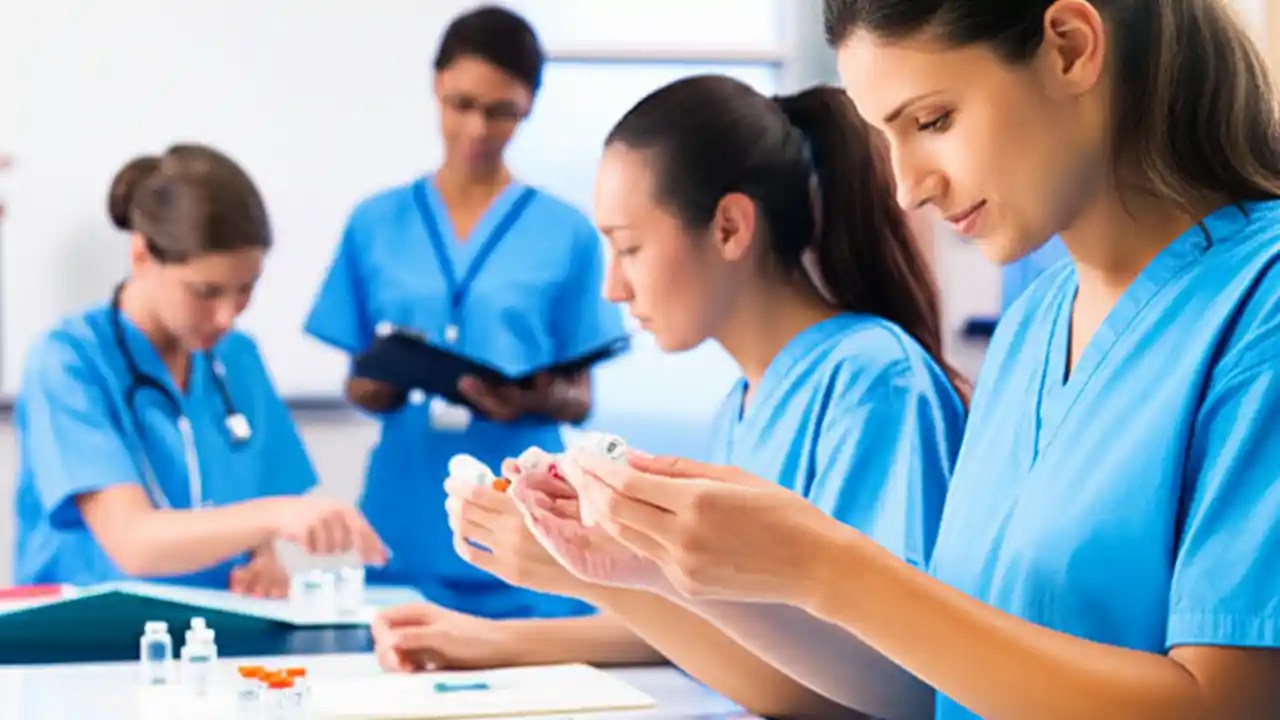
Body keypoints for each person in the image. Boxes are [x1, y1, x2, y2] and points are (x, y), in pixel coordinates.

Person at [507, 3, 1280, 720]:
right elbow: (922, 691)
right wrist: (684, 563)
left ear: (1069, 49)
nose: (909, 190)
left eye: (934, 119)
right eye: (887, 138)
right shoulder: (1033, 328)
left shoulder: (1259, 305)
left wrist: (828, 567)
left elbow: (1225, 705)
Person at [384, 74, 969, 715]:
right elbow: (716, 629)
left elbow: (876, 688)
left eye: (629, 247)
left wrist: (587, 569)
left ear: (728, 228)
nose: (612, 287)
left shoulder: (873, 383)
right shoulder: (744, 405)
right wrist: (495, 640)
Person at [304, 6, 626, 619]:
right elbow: (359, 382)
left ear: (529, 105)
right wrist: (385, 382)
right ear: (436, 87)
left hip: (527, 513)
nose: (477, 128)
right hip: (404, 515)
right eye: (461, 104)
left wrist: (528, 400)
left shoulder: (568, 234)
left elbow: (581, 396)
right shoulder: (375, 223)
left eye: (500, 111)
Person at [14, 144, 387, 594]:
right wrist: (278, 517)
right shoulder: (69, 361)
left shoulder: (238, 358)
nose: (227, 316)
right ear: (141, 255)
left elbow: (269, 510)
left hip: (217, 635)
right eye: (206, 291)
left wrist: (273, 553)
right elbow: (133, 543)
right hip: (79, 647)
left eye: (244, 289)